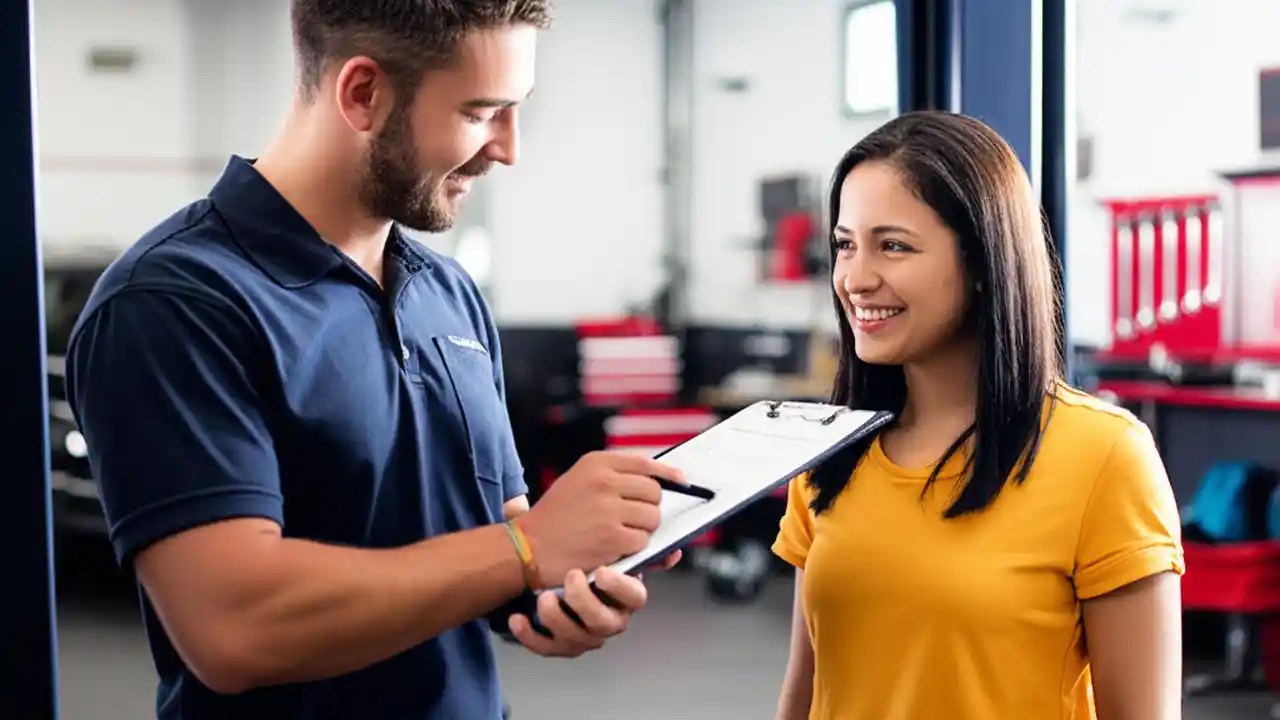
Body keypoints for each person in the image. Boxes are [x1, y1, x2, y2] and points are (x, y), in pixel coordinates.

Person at [64, 2, 685, 719]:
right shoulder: (174, 304)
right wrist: (526, 548)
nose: (508, 149)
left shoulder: (448, 293)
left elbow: (495, 535)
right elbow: (235, 626)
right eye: (482, 113)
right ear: (363, 93)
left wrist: (560, 586)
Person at [772, 111, 1184, 720]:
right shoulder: (828, 452)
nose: (855, 279)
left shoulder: (1103, 455)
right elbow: (805, 693)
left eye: (893, 246)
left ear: (984, 262)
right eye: (845, 245)